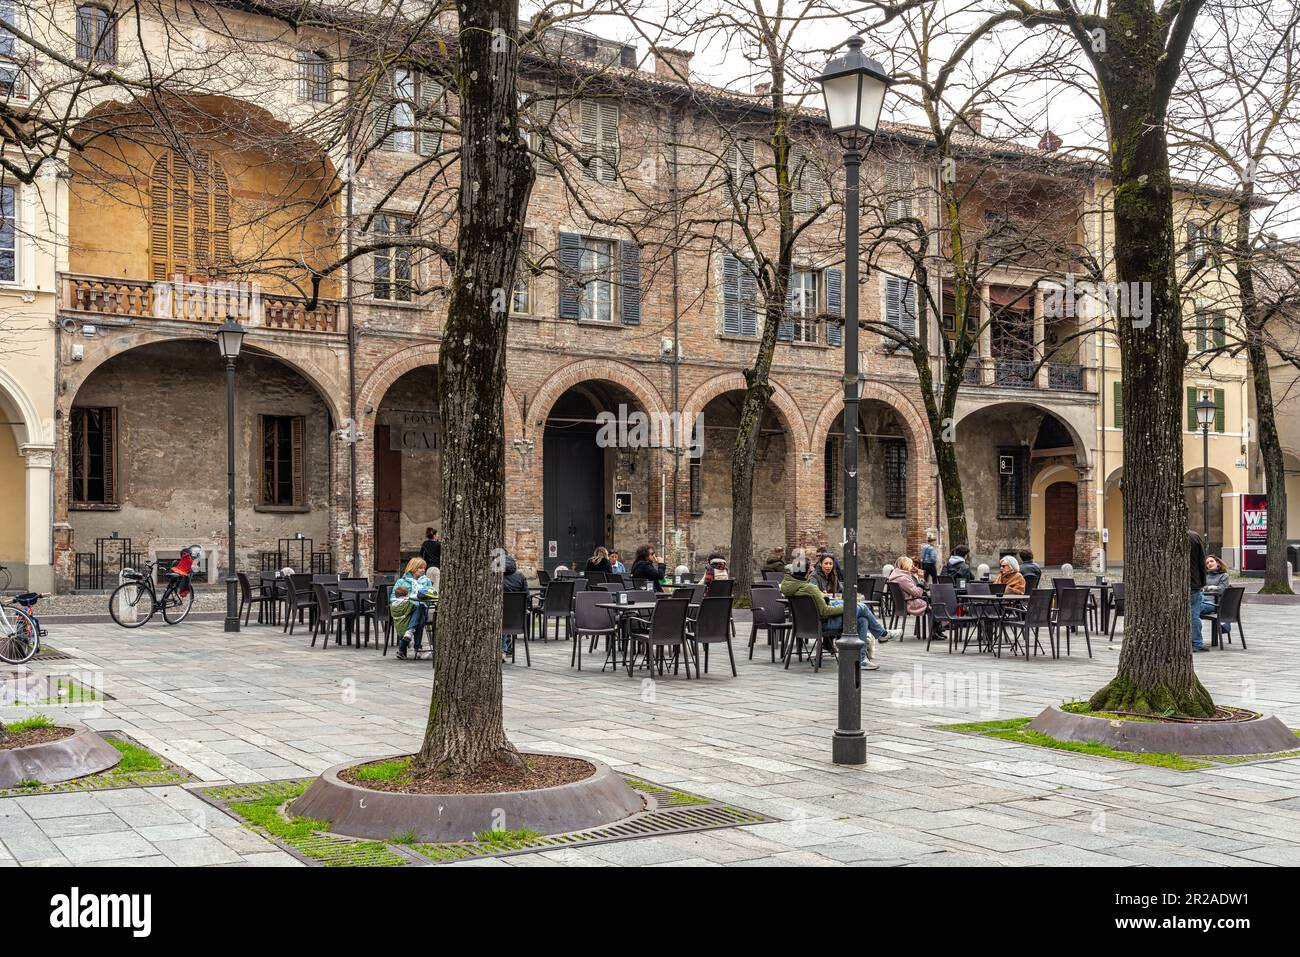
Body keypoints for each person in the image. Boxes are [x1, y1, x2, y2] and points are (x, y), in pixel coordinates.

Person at [780, 554, 899, 668]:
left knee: (862, 620)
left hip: (806, 625)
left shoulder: (790, 586)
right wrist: (848, 607)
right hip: (823, 624)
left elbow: (823, 602)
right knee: (861, 608)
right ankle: (880, 636)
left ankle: (864, 657)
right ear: (806, 572)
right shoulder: (810, 587)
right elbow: (825, 611)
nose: (812, 569)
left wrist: (835, 601)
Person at [393, 557, 436, 659]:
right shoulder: (401, 582)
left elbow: (431, 597)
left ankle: (404, 643)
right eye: (420, 568)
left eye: (424, 568)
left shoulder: (427, 582)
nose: (423, 570)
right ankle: (418, 649)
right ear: (413, 568)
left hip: (421, 609)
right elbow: (393, 598)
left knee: (420, 607)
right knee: (419, 618)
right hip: (405, 611)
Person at [501, 554, 528, 660]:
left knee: (502, 618)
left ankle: (503, 650)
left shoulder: (497, 577)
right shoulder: (520, 576)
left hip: (503, 616)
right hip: (518, 618)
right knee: (506, 616)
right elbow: (527, 595)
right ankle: (507, 649)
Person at [1200, 555, 1231, 640]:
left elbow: (1223, 590)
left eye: (1211, 561)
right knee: (1192, 608)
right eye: (1207, 563)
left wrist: (1213, 587)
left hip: (1215, 603)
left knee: (1194, 609)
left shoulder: (1224, 575)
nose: (1209, 564)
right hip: (1203, 601)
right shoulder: (1205, 576)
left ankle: (1196, 639)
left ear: (1217, 562)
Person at [1189, 530, 1207, 652]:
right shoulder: (1194, 536)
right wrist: (1202, 582)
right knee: (1193, 614)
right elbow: (1202, 561)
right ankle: (1196, 643)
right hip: (1193, 582)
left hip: (1174, 583)